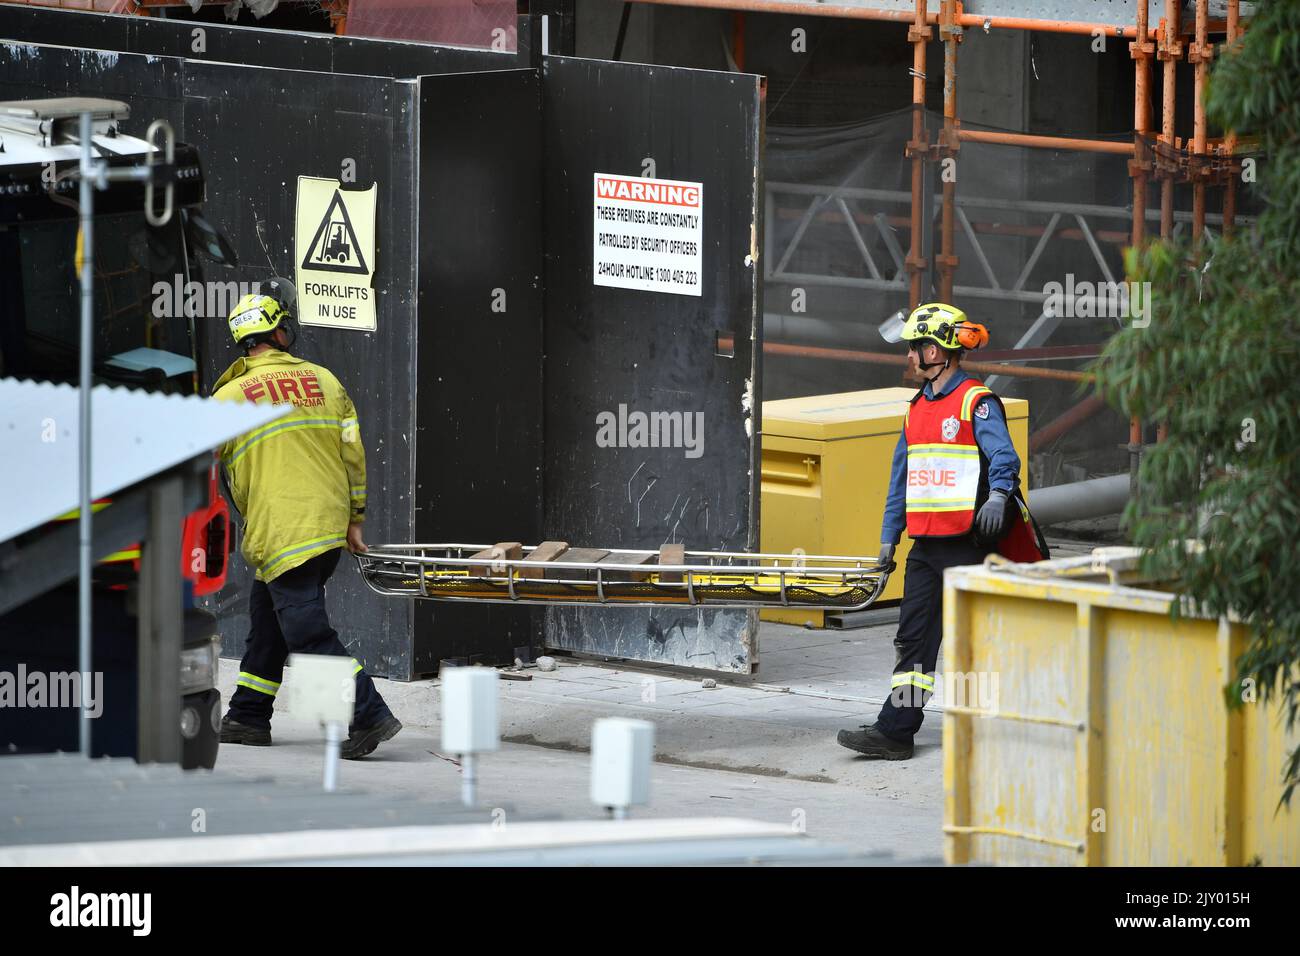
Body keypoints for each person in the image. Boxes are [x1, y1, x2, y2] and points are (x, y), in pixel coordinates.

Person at [837, 301, 1038, 761]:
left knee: (983, 639)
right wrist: (889, 540)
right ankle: (896, 731)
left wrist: (998, 495)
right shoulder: (914, 411)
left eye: (915, 347)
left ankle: (1017, 722)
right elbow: (900, 483)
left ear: (939, 351)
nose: (909, 356)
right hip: (926, 549)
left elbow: (1004, 457)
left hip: (969, 548)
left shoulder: (976, 402)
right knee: (913, 642)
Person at [213, 279, 401, 759]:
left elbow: (195, 464)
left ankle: (368, 714)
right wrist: (355, 520)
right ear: (277, 335)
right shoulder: (325, 381)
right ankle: (248, 716)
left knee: (306, 630)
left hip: (281, 531)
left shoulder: (228, 400)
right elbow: (353, 456)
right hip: (327, 528)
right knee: (268, 618)